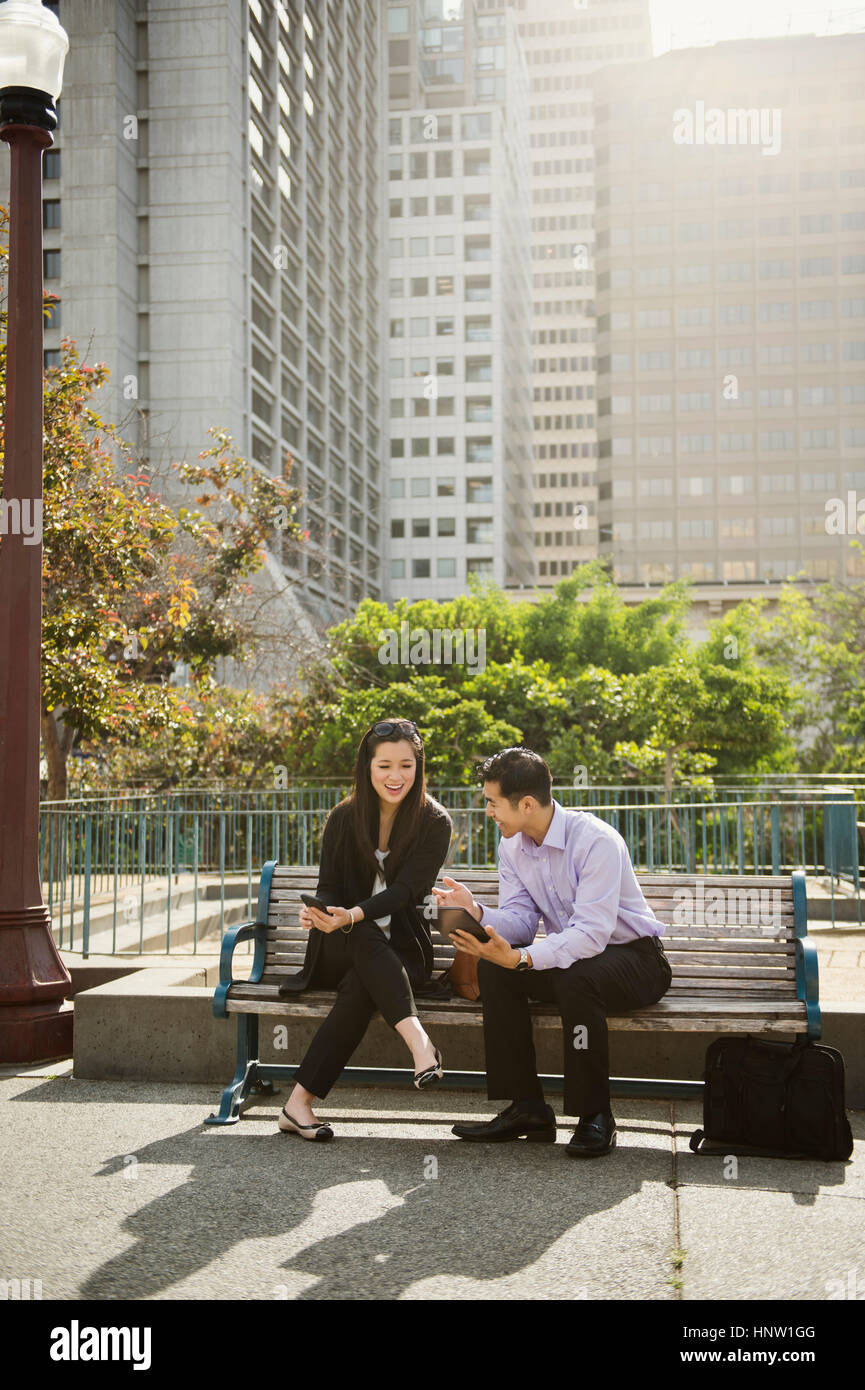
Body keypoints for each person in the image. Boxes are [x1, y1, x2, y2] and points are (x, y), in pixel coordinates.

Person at [432, 746, 672, 1158]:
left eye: (492, 803)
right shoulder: (512, 846)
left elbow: (591, 936)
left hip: (637, 961)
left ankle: (596, 1115)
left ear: (526, 804)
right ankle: (527, 1109)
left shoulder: (596, 842)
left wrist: (524, 958)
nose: (488, 811)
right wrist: (476, 912)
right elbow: (522, 922)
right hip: (578, 960)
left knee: (575, 976)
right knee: (495, 970)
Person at [276, 718, 453, 1141]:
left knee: (363, 980)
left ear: (419, 766)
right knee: (360, 934)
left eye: (407, 766)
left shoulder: (434, 822)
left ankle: (297, 1105)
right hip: (339, 946)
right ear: (367, 768)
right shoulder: (343, 818)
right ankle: (420, 1045)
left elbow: (407, 893)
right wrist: (317, 914)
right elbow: (328, 888)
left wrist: (351, 914)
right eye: (385, 766)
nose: (396, 777)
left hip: (403, 956)